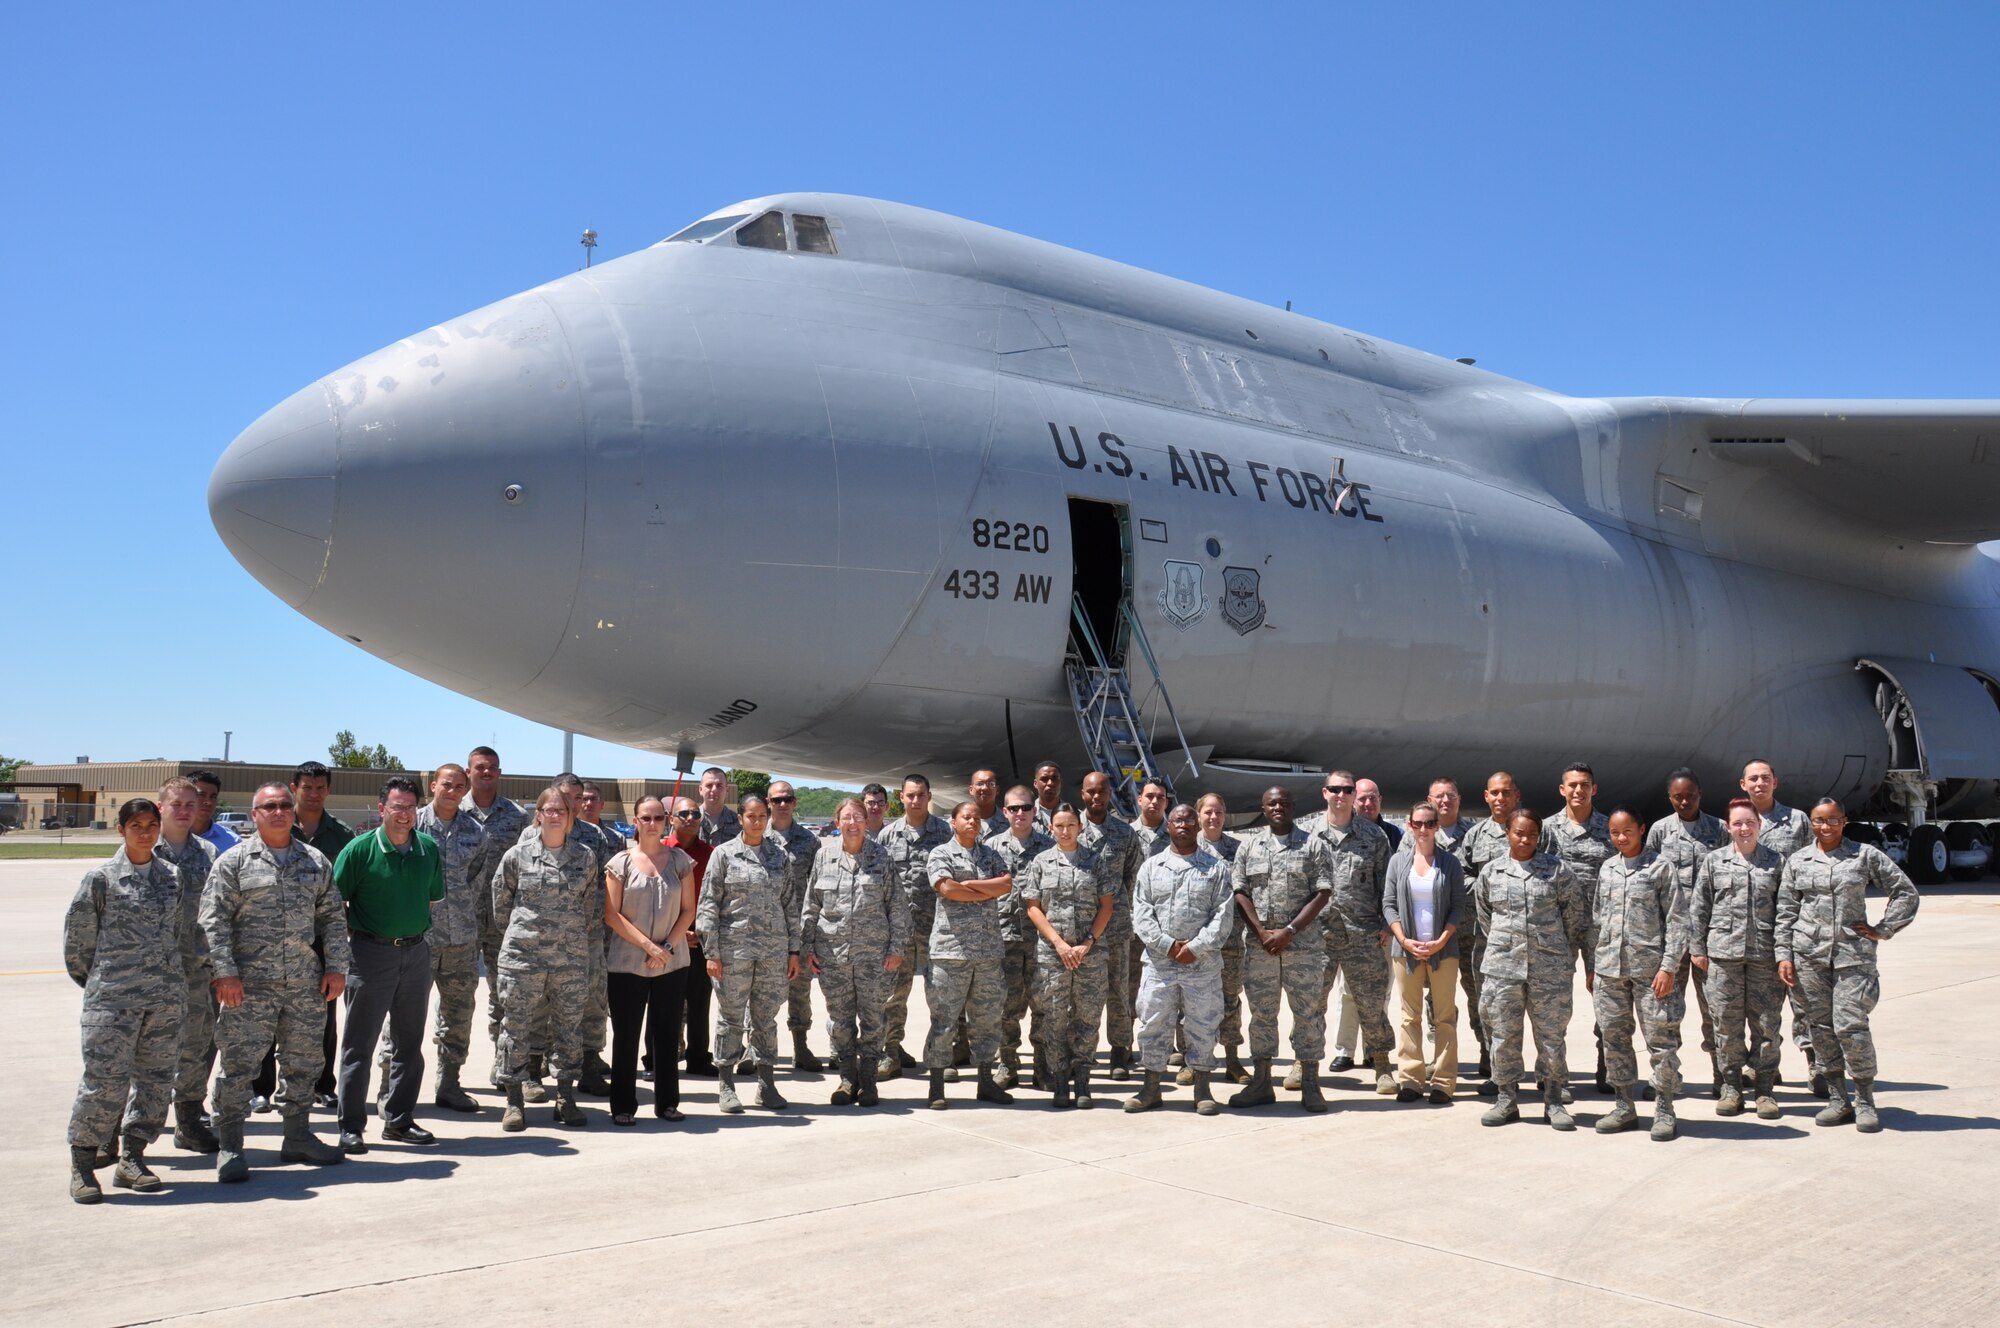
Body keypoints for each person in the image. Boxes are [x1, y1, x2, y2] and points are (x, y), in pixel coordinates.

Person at [201, 782, 351, 1181]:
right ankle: (231, 1145)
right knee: (238, 1067)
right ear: (255, 815)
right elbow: (213, 923)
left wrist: (337, 967)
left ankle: (297, 1136)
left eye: (285, 805)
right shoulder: (233, 863)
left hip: (303, 984)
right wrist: (225, 973)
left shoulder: (315, 861)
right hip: (247, 986)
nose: (279, 811)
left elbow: (332, 918)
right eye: (269, 806)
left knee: (304, 1064)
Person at [63, 798, 187, 1203]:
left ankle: (132, 1158)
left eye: (152, 824)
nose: (146, 831)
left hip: (164, 999)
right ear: (121, 829)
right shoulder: (101, 879)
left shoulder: (172, 876)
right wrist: (104, 984)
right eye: (136, 824)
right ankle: (83, 1165)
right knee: (104, 1084)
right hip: (113, 1001)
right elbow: (78, 946)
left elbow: (178, 933)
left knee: (154, 1083)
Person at [1777, 798, 1920, 1132]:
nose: (1824, 827)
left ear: (1844, 821)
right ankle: (1838, 1098)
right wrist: (1784, 954)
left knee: (1850, 1025)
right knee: (1821, 1028)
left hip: (1852, 957)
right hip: (1809, 956)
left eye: (1831, 821)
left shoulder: (1864, 855)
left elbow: (1905, 892)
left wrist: (1883, 929)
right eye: (1817, 821)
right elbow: (1785, 910)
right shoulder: (1799, 860)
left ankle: (1865, 1098)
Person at [332, 776, 445, 1153]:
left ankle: (398, 1119)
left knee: (409, 1045)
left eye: (411, 807)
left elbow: (430, 901)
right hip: (369, 956)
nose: (404, 814)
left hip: (415, 955)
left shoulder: (428, 849)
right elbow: (334, 909)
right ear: (382, 809)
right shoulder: (358, 851)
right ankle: (351, 1126)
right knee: (358, 1047)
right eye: (397, 807)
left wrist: (408, 936)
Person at [1474, 807, 1588, 1130]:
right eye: (1518, 833)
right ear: (1507, 833)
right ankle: (1507, 1099)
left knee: (1551, 1037)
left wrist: (1558, 955)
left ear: (1540, 836)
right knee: (1503, 1035)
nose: (1525, 839)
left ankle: (1553, 1100)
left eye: (1531, 834)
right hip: (1503, 969)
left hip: (1549, 970)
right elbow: (1486, 918)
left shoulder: (1557, 871)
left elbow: (1574, 918)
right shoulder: (1491, 872)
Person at [248, 760, 351, 1115]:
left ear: (328, 790)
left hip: (319, 940)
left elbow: (344, 892)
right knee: (267, 1017)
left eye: (320, 787)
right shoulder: (276, 828)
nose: (314, 793)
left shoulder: (341, 835)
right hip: (270, 941)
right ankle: (261, 1087)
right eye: (307, 787)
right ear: (295, 789)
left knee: (321, 1019)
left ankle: (322, 1084)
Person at [492, 786, 598, 1131]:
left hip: (568, 958)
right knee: (516, 1027)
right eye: (548, 810)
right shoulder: (517, 856)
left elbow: (587, 906)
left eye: (562, 811)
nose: (555, 815)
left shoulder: (585, 857)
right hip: (523, 958)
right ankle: (513, 1099)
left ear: (570, 817)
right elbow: (501, 906)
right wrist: (526, 935)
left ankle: (565, 1097)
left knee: (568, 1027)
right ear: (538, 814)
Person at [1126, 804, 1235, 1115]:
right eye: (1177, 820)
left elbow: (1222, 916)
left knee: (1203, 1025)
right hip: (1160, 966)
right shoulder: (1151, 867)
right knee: (1153, 1024)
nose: (1184, 824)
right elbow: (1142, 914)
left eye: (1189, 819)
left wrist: (1195, 948)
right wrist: (1169, 946)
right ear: (1168, 826)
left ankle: (1202, 1087)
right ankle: (1151, 1087)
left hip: (1202, 967)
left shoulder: (1215, 868)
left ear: (1196, 824)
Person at [1229, 787, 1333, 1112]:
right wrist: (1261, 932)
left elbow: (1322, 892)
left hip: (1303, 948)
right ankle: (1261, 1083)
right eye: (1272, 803)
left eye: (1284, 803)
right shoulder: (1248, 848)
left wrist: (1289, 931)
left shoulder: (1313, 845)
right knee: (1262, 1014)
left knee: (1308, 1014)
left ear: (1293, 808)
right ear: (1264, 808)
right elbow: (1240, 890)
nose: (1278, 807)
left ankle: (1311, 1084)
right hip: (1261, 949)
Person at [695, 794, 800, 1113]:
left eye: (762, 816)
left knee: (766, 1019)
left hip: (772, 952)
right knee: (730, 1019)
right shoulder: (723, 855)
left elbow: (790, 905)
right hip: (733, 951)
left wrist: (793, 950)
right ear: (740, 818)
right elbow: (708, 904)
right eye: (750, 816)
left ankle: (766, 1085)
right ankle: (726, 1085)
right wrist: (711, 952)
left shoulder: (779, 855)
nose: (757, 821)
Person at [801, 798, 908, 1107]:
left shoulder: (881, 857)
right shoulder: (824, 857)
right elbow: (811, 906)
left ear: (866, 821)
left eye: (858, 817)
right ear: (837, 823)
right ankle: (848, 1078)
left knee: (874, 1020)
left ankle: (870, 1081)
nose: (852, 823)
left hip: (874, 957)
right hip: (832, 956)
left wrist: (897, 948)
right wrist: (807, 947)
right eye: (846, 818)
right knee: (840, 1021)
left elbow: (897, 907)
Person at [1589, 809, 1686, 1140]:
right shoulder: (1608, 868)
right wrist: (1595, 965)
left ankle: (1664, 1107)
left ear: (1641, 830)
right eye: (1614, 832)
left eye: (1627, 831)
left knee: (1661, 1040)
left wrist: (1669, 966)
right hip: (1609, 971)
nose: (1620, 838)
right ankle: (1623, 1106)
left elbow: (1677, 920)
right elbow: (1598, 919)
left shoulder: (1661, 868)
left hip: (1650, 971)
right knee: (1614, 1038)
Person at [1690, 798, 1787, 1119]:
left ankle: (1764, 1090)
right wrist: (1698, 948)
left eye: (1750, 823)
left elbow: (1786, 912)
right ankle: (1731, 1086)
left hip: (1764, 957)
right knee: (1726, 1025)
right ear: (1728, 827)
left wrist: (1784, 953)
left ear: (1760, 825)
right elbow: (1699, 907)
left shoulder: (1776, 862)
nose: (1744, 829)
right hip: (1722, 958)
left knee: (1767, 1026)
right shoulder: (1713, 861)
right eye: (1738, 824)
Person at [602, 797, 697, 1125]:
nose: (653, 823)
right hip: (628, 962)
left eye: (658, 817)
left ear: (666, 820)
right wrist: (648, 946)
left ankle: (667, 1103)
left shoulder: (680, 861)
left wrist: (667, 946)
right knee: (626, 1036)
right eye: (646, 818)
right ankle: (623, 1105)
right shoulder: (620, 863)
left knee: (668, 1034)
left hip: (672, 962)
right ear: (636, 821)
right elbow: (612, 915)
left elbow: (689, 910)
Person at [402, 764, 485, 1113]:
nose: (452, 791)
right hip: (417, 937)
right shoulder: (412, 824)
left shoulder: (476, 832)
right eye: (446, 785)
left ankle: (449, 1083)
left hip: (462, 939)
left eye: (459, 786)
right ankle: (396, 1089)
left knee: (459, 1014)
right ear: (432, 785)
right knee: (405, 1016)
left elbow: (477, 879)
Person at [922, 802, 1014, 1108]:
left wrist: (971, 885)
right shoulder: (941, 854)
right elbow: (948, 889)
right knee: (944, 1020)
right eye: (966, 816)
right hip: (951, 952)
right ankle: (936, 1086)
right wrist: (983, 890)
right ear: (954, 821)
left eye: (976, 817)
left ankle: (985, 1082)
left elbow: (1005, 884)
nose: (972, 821)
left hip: (987, 952)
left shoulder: (990, 854)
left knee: (987, 1020)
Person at [1023, 805, 1116, 1109]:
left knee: (1088, 1016)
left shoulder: (1095, 861)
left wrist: (1088, 942)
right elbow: (1034, 907)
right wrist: (1059, 944)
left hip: (1089, 954)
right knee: (1054, 1016)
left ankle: (1084, 1079)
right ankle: (1060, 1080)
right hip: (1054, 955)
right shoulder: (1041, 862)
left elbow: (1106, 906)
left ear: (1081, 827)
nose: (1065, 831)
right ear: (1051, 829)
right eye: (1059, 826)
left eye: (1071, 825)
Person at [1312, 770, 1396, 1095]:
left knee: (1371, 1003)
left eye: (1347, 790)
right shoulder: (1308, 837)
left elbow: (1387, 886)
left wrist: (1388, 923)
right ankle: (1304, 1064)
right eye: (1335, 789)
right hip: (1319, 936)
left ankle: (1382, 1065)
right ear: (1325, 793)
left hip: (1362, 934)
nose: (1341, 795)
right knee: (1312, 1004)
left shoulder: (1374, 838)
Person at [1644, 769, 1728, 1096]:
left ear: (1700, 794)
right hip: (1670, 941)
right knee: (1664, 1012)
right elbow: (1648, 879)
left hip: (1709, 938)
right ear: (1670, 797)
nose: (1684, 801)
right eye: (1678, 796)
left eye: (1689, 795)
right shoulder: (1660, 831)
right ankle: (1665, 1079)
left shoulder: (1719, 830)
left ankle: (1724, 1078)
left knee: (1716, 1010)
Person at [1741, 758, 1820, 1093]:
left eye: (1765, 778)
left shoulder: (1797, 820)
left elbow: (1810, 865)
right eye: (1753, 779)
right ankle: (1762, 1065)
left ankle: (1817, 1065)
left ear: (1775, 781)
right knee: (1760, 1005)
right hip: (1754, 928)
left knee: (1804, 1001)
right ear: (1743, 784)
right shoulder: (1738, 821)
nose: (1759, 783)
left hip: (1796, 923)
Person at [154, 777, 221, 1153]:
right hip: (153, 974)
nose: (183, 810)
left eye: (189, 804)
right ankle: (122, 1128)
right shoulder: (145, 848)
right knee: (145, 1053)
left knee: (197, 1050)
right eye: (176, 803)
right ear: (160, 806)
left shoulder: (209, 855)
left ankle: (189, 1122)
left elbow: (221, 912)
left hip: (198, 971)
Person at [1382, 802, 1464, 1105]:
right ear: (1410, 825)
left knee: (1444, 1017)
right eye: (1418, 823)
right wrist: (1404, 940)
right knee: (1409, 1017)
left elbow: (1458, 905)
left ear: (1437, 826)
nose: (1424, 829)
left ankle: (1443, 1082)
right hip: (1406, 951)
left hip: (1444, 949)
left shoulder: (1450, 863)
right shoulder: (1397, 862)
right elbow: (1388, 903)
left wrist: (1442, 940)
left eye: (1430, 823)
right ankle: (1411, 1080)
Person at [1541, 762, 1614, 1096]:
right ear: (1562, 789)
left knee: (1607, 999)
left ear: (1594, 789)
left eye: (1584, 785)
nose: (1578, 791)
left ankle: (1609, 1068)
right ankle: (1554, 1074)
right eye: (1572, 785)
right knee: (1553, 1003)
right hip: (1559, 926)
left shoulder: (1609, 827)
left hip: (1601, 927)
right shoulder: (1547, 830)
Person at [876, 775, 953, 1079]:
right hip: (899, 931)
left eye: (921, 795)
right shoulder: (887, 835)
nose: (915, 801)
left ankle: (939, 1058)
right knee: (894, 995)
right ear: (901, 797)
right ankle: (890, 1053)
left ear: (929, 796)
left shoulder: (944, 832)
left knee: (941, 995)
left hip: (936, 928)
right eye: (910, 795)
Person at [462, 746, 527, 1082]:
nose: (486, 772)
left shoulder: (516, 816)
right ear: (468, 771)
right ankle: (450, 1077)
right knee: (458, 999)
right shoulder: (454, 811)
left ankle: (504, 1064)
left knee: (505, 995)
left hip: (504, 921)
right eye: (480, 767)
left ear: (499, 773)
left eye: (492, 768)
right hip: (460, 922)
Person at [1455, 771, 1521, 1095]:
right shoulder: (1475, 835)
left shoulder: (1528, 830)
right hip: (1485, 937)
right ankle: (1493, 1064)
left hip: (1526, 938)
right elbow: (1462, 875)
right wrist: (1488, 886)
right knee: (1485, 1002)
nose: (1500, 798)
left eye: (1506, 793)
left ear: (1515, 795)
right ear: (1486, 796)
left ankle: (1548, 1074)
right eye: (1494, 793)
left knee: (1534, 1007)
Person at [985, 786, 1053, 1090]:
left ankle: (1043, 1067)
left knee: (1044, 1005)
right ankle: (1008, 1064)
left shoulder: (1050, 847)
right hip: (1004, 937)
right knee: (1006, 1006)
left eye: (1025, 808)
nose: (1020, 814)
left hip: (1041, 940)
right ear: (1005, 812)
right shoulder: (990, 848)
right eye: (1014, 809)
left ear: (1034, 811)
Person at [1078, 771, 1142, 1080]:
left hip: (1116, 929)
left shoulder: (1125, 833)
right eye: (1090, 792)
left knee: (1119, 991)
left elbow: (1132, 877)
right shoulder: (1069, 829)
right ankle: (1082, 1051)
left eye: (1101, 792)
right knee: (1084, 994)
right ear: (1083, 794)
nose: (1096, 797)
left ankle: (1120, 1051)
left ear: (1109, 795)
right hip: (1079, 928)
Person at [766, 780, 825, 1072]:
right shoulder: (755, 836)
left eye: (787, 799)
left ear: (795, 802)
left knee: (800, 990)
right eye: (777, 800)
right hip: (764, 930)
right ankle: (757, 1049)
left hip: (799, 928)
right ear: (768, 803)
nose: (783, 804)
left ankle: (800, 1047)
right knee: (762, 991)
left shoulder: (809, 841)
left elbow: (819, 888)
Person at [1195, 793, 1246, 1084]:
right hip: (1197, 942)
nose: (1213, 817)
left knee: (1230, 1001)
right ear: (1198, 815)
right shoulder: (1186, 847)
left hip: (1230, 941)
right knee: (1192, 1001)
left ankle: (1232, 1060)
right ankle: (1193, 1060)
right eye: (1208, 812)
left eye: (1218, 812)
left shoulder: (1238, 850)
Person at [668, 797, 718, 1076]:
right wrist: (676, 933)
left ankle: (699, 1058)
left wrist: (698, 932)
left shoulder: (712, 854)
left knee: (700, 1002)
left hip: (700, 939)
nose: (690, 818)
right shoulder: (662, 851)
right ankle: (656, 1059)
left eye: (695, 814)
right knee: (665, 1003)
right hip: (667, 938)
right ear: (671, 818)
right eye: (683, 813)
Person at [189, 770, 238, 854]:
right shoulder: (169, 836)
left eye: (213, 797)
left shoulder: (232, 841)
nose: (208, 802)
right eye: (201, 795)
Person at [697, 767, 741, 845]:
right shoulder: (689, 819)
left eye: (719, 785)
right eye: (709, 785)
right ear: (700, 790)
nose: (714, 789)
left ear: (727, 791)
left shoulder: (739, 822)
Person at [970, 769, 1009, 838]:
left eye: (991, 784)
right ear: (971, 790)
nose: (985, 788)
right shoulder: (957, 823)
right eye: (980, 784)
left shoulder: (1009, 822)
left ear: (997, 790)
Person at [1029, 761, 1065, 833]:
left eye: (1054, 778)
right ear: (1035, 784)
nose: (1050, 783)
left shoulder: (1076, 815)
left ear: (1061, 782)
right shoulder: (1025, 816)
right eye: (1044, 779)